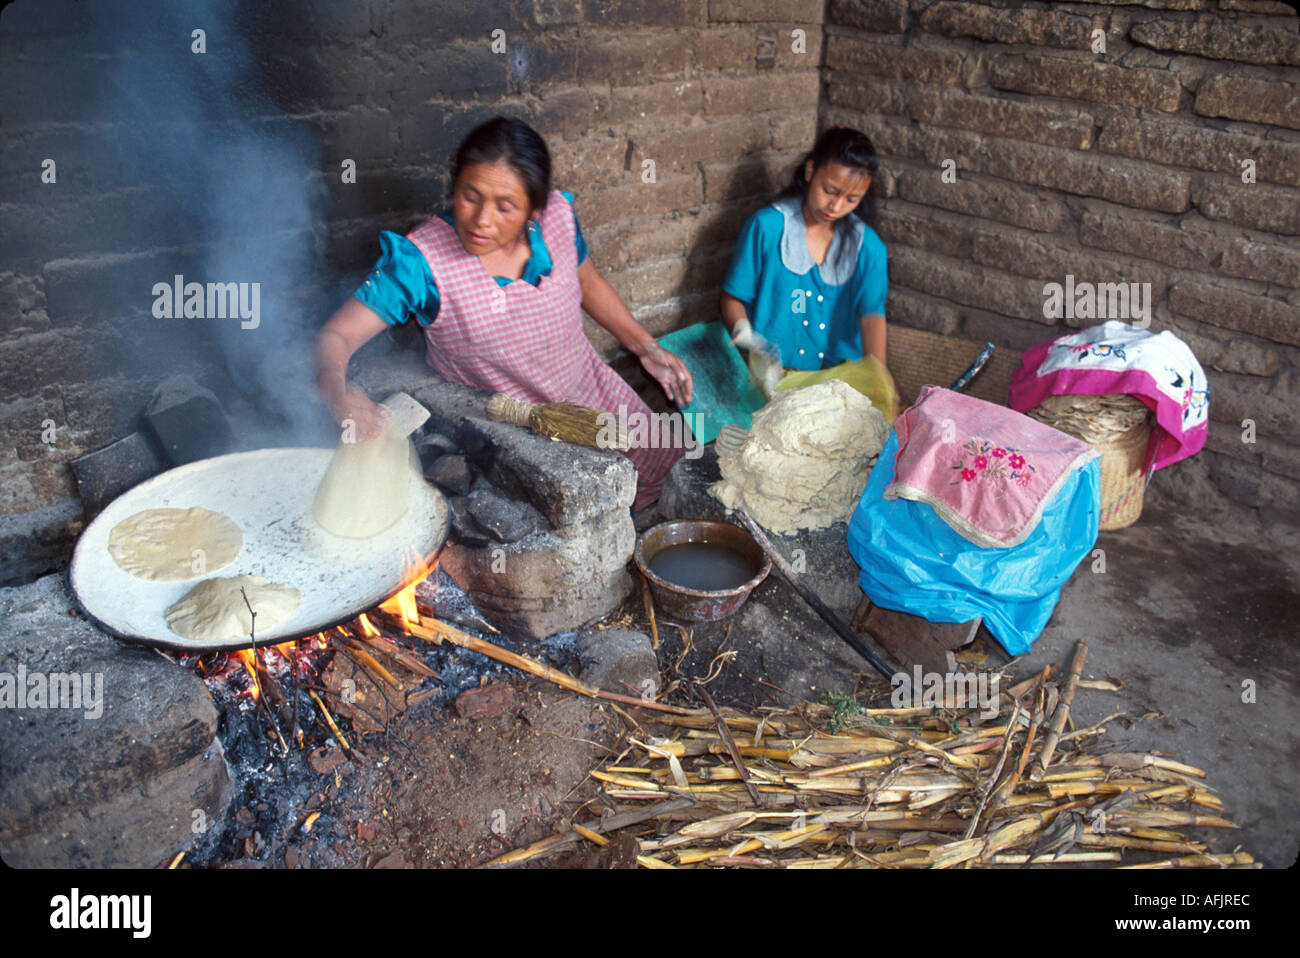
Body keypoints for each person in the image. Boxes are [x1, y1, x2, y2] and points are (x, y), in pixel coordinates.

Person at [314, 116, 694, 511]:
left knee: (675, 475)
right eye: (470, 195)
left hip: (594, 389)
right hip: (518, 428)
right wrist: (337, 392)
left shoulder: (558, 222)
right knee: (589, 513)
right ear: (454, 184)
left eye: (505, 207)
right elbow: (335, 337)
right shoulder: (421, 263)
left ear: (534, 209)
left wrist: (645, 348)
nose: (481, 220)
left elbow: (590, 284)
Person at [720, 126, 889, 376]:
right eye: (829, 191)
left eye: (852, 199)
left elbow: (871, 315)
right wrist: (744, 332)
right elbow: (733, 297)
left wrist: (879, 376)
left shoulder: (869, 247)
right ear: (810, 171)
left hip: (837, 379)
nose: (836, 205)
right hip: (773, 375)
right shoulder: (767, 228)